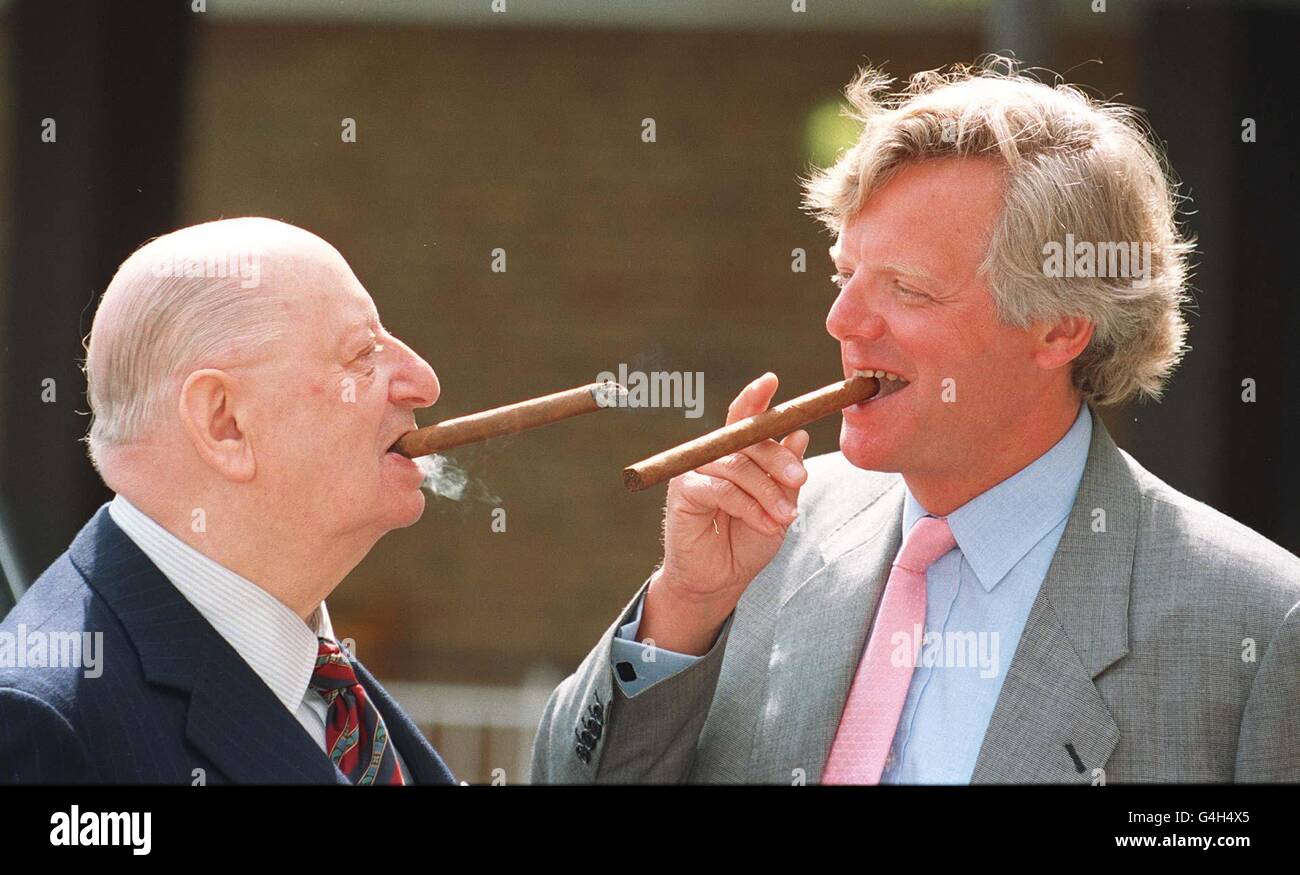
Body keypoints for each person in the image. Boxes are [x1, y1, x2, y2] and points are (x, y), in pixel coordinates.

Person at [531, 62, 1300, 784]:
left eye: (907, 288)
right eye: (845, 274)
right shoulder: (766, 535)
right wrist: (685, 607)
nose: (842, 320)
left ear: (1060, 326)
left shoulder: (1256, 627)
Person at [0, 217, 455, 784]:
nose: (423, 381)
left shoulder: (323, 687)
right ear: (224, 422)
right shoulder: (43, 725)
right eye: (362, 353)